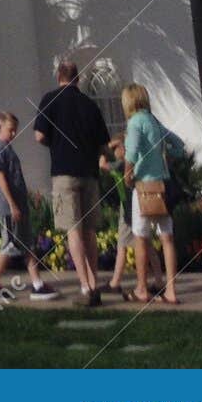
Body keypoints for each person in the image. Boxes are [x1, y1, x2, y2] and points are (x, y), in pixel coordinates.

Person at [34, 59, 111, 305]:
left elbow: (39, 136)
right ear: (77, 79)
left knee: (73, 230)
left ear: (59, 77)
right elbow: (103, 143)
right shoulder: (90, 105)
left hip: (64, 174)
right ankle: (95, 281)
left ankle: (85, 287)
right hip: (89, 174)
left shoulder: (50, 100)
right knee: (89, 231)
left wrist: (56, 144)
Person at [121, 82, 186, 307]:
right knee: (167, 238)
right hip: (164, 185)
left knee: (141, 237)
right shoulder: (154, 121)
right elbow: (178, 145)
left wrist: (127, 174)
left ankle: (141, 288)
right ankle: (171, 290)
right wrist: (166, 156)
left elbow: (131, 153)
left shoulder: (135, 123)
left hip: (144, 189)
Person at [0, 111, 59, 302]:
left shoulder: (8, 148)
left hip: (19, 205)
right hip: (9, 207)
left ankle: (37, 284)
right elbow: (0, 177)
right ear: (0, 127)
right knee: (9, 245)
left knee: (26, 245)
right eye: (10, 129)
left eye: (15, 129)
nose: (14, 133)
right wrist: (12, 204)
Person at [101, 138, 161, 298]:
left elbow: (101, 164)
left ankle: (115, 282)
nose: (114, 153)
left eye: (116, 150)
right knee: (147, 244)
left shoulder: (121, 166)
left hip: (128, 210)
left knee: (122, 245)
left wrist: (108, 147)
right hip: (134, 206)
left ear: (123, 149)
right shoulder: (133, 164)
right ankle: (159, 281)